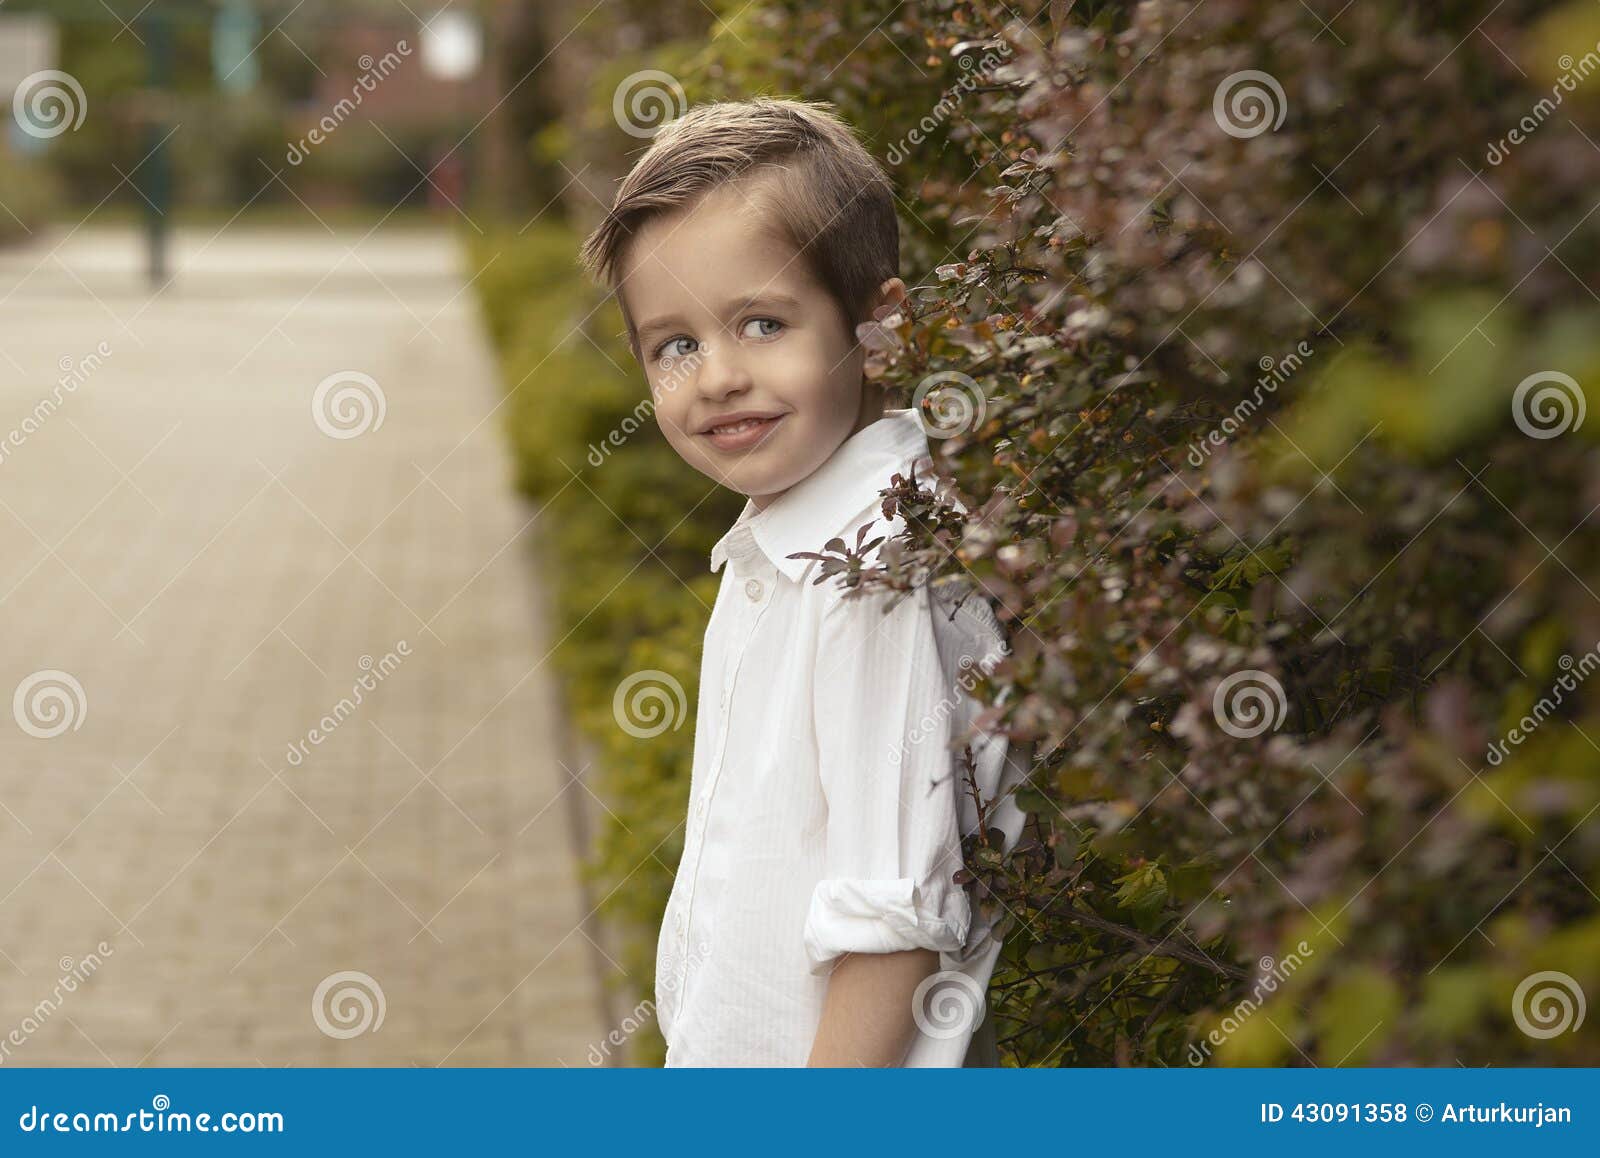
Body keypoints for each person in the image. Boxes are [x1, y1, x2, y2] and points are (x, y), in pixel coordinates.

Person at [579, 97, 1027, 1067]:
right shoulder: (788, 548)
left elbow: (893, 919)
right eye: (676, 345)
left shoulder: (870, 574)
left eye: (761, 322)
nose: (717, 377)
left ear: (879, 329)